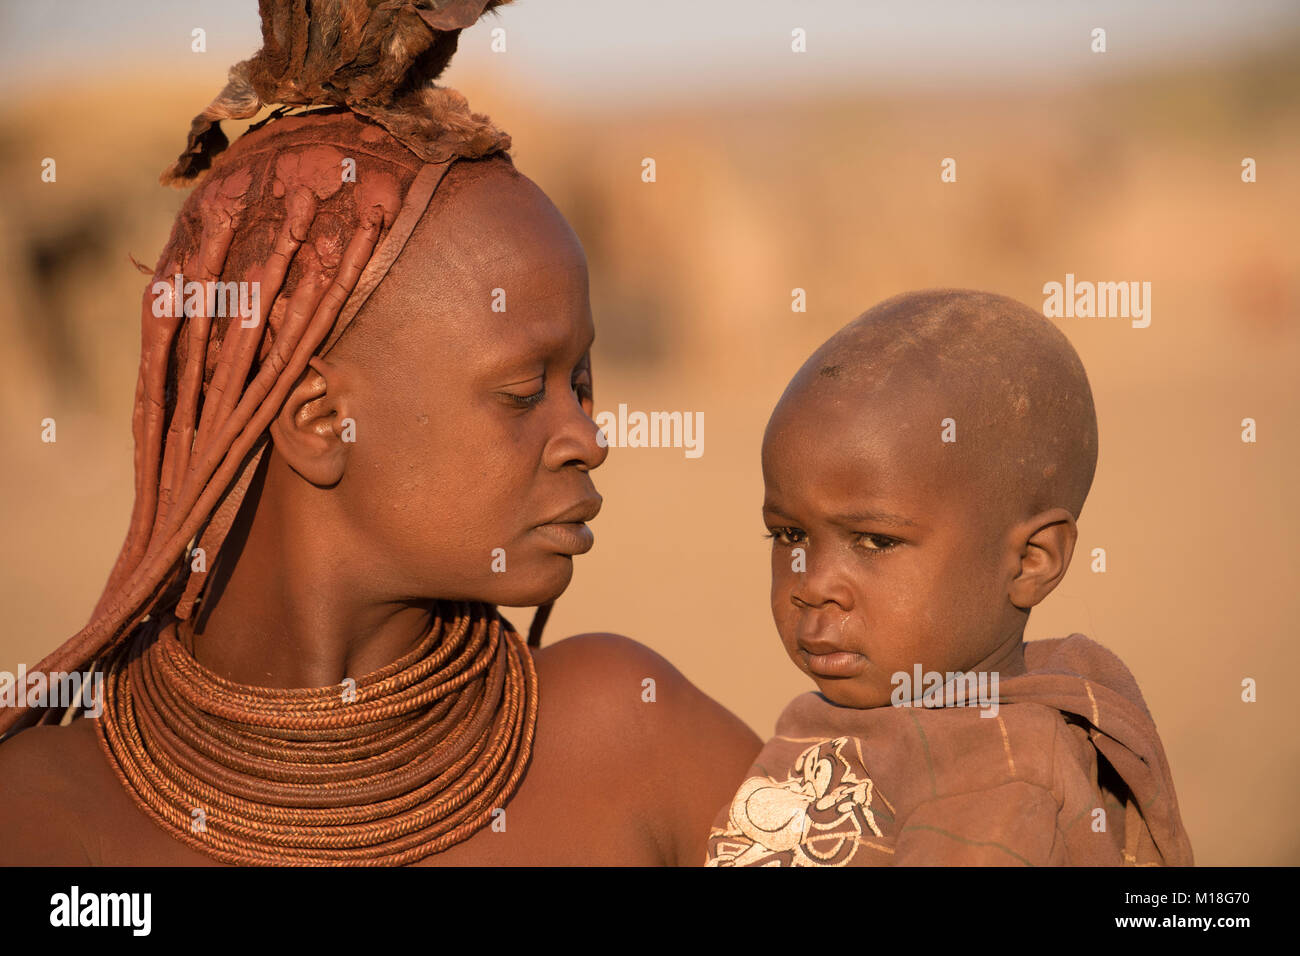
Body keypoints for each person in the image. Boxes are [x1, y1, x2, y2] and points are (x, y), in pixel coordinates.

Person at [0, 0, 759, 866]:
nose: (589, 436)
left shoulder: (630, 739)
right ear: (321, 418)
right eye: (523, 392)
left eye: (581, 382)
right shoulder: (41, 821)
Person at [705, 289, 1194, 866]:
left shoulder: (999, 780)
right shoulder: (868, 718)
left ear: (1032, 561)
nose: (813, 584)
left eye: (877, 541)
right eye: (789, 535)